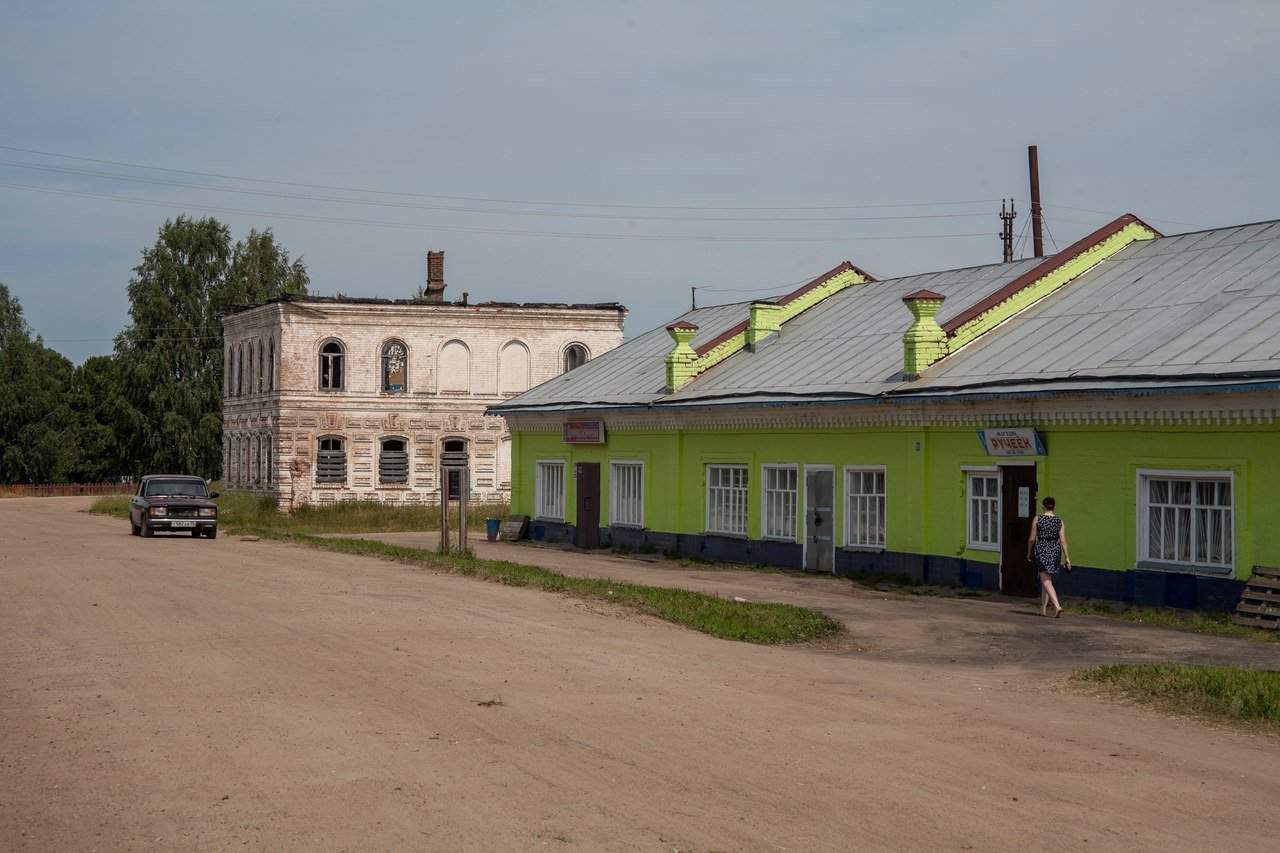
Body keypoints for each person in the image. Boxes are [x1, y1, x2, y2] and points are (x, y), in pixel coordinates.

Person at [1027, 496, 1070, 617]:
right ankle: (1043, 609)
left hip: (1041, 548)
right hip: (1055, 549)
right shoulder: (1059, 520)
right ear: (1054, 507)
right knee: (1047, 579)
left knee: (1045, 579)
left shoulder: (1037, 519)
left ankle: (1057, 606)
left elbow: (1031, 538)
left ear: (1043, 506)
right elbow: (1063, 540)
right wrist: (1067, 557)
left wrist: (1029, 551)